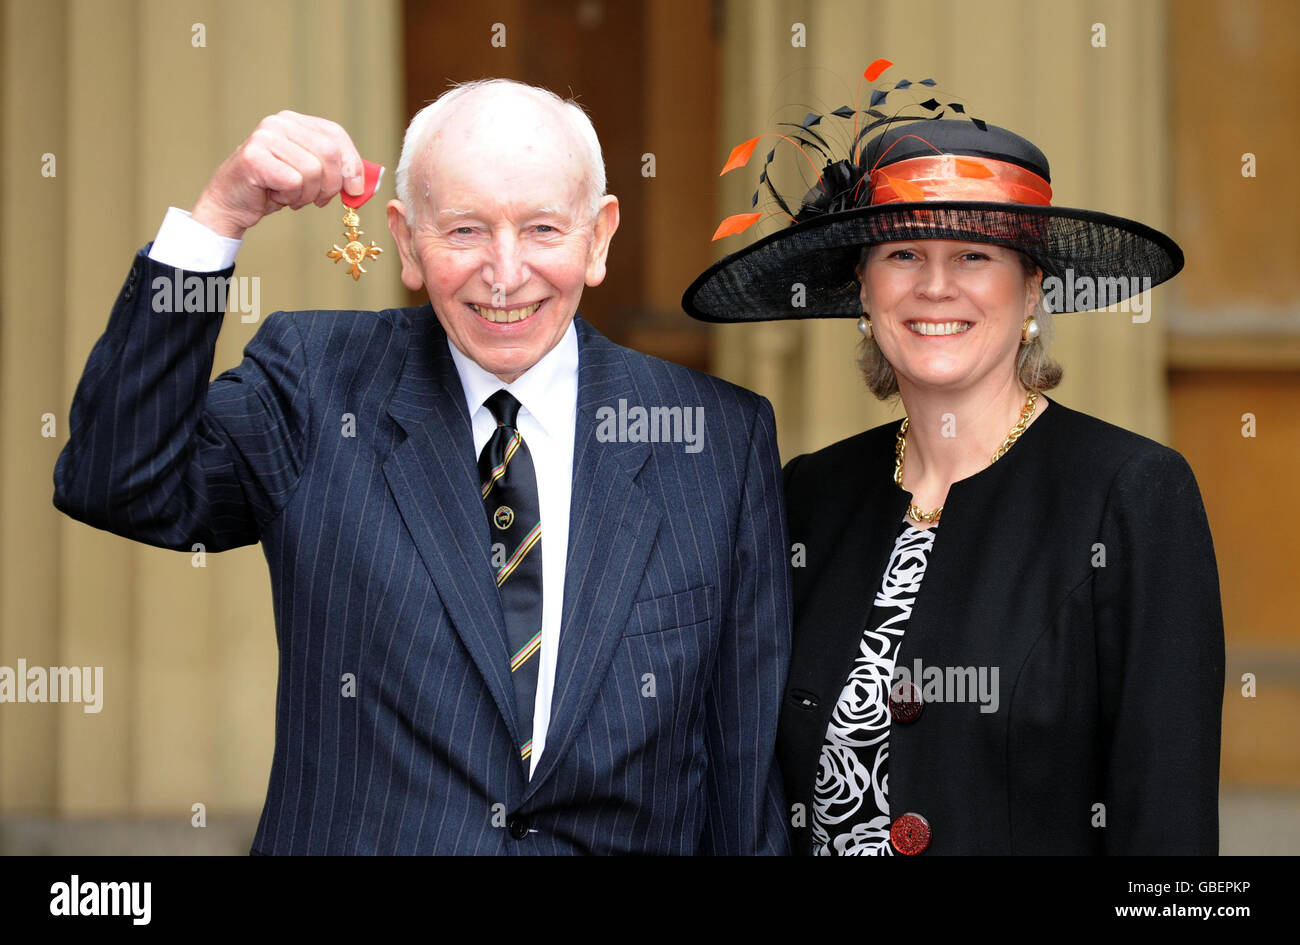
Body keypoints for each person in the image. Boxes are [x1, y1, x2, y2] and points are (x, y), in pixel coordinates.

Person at [53, 79, 791, 855]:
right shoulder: (315, 382)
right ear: (405, 241)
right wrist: (218, 220)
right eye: (466, 230)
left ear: (598, 236)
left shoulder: (715, 438)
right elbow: (118, 478)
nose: (504, 274)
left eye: (542, 228)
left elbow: (741, 775)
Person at [683, 71, 1224, 855]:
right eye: (903, 252)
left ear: (1032, 289)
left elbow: (1165, 829)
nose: (935, 286)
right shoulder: (808, 494)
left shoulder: (1133, 495)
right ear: (863, 290)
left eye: (974, 254)